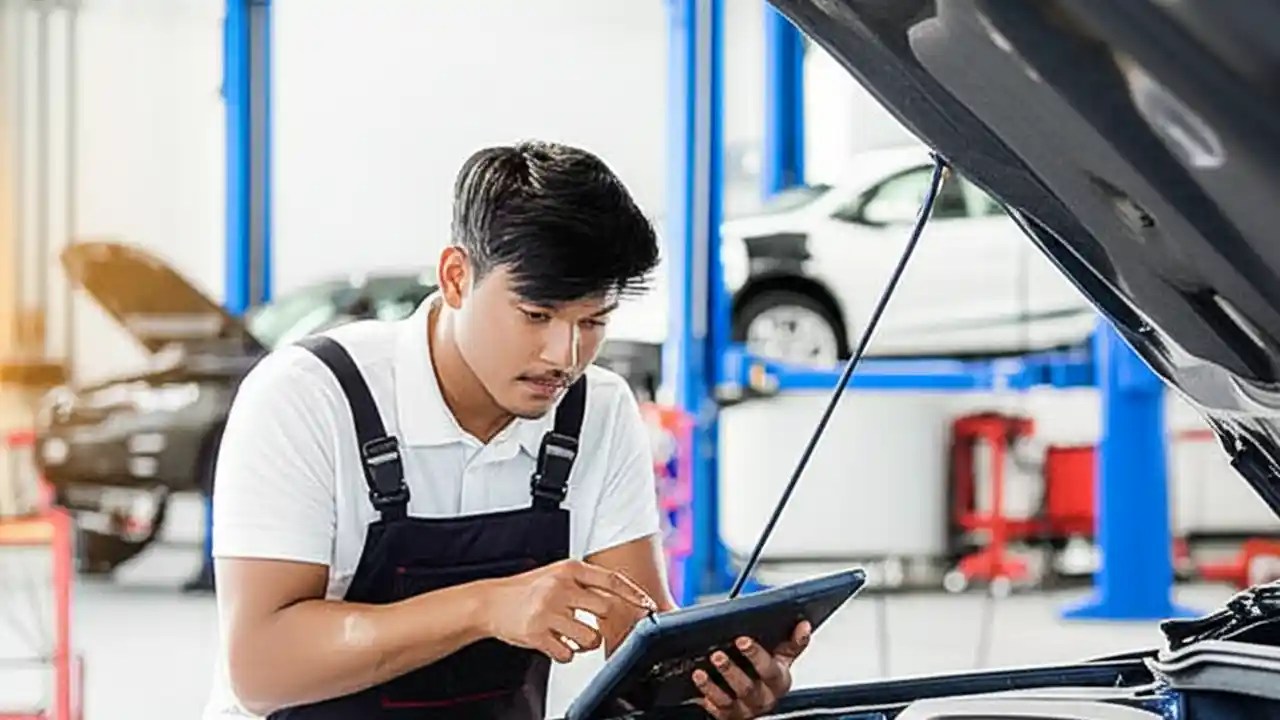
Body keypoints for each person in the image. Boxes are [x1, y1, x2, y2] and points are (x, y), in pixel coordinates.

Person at [203, 140, 811, 720]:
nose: (564, 356)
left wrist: (712, 686)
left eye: (593, 321)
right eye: (537, 315)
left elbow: (639, 654)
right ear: (456, 277)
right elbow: (260, 667)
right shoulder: (310, 398)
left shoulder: (595, 409)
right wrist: (485, 606)